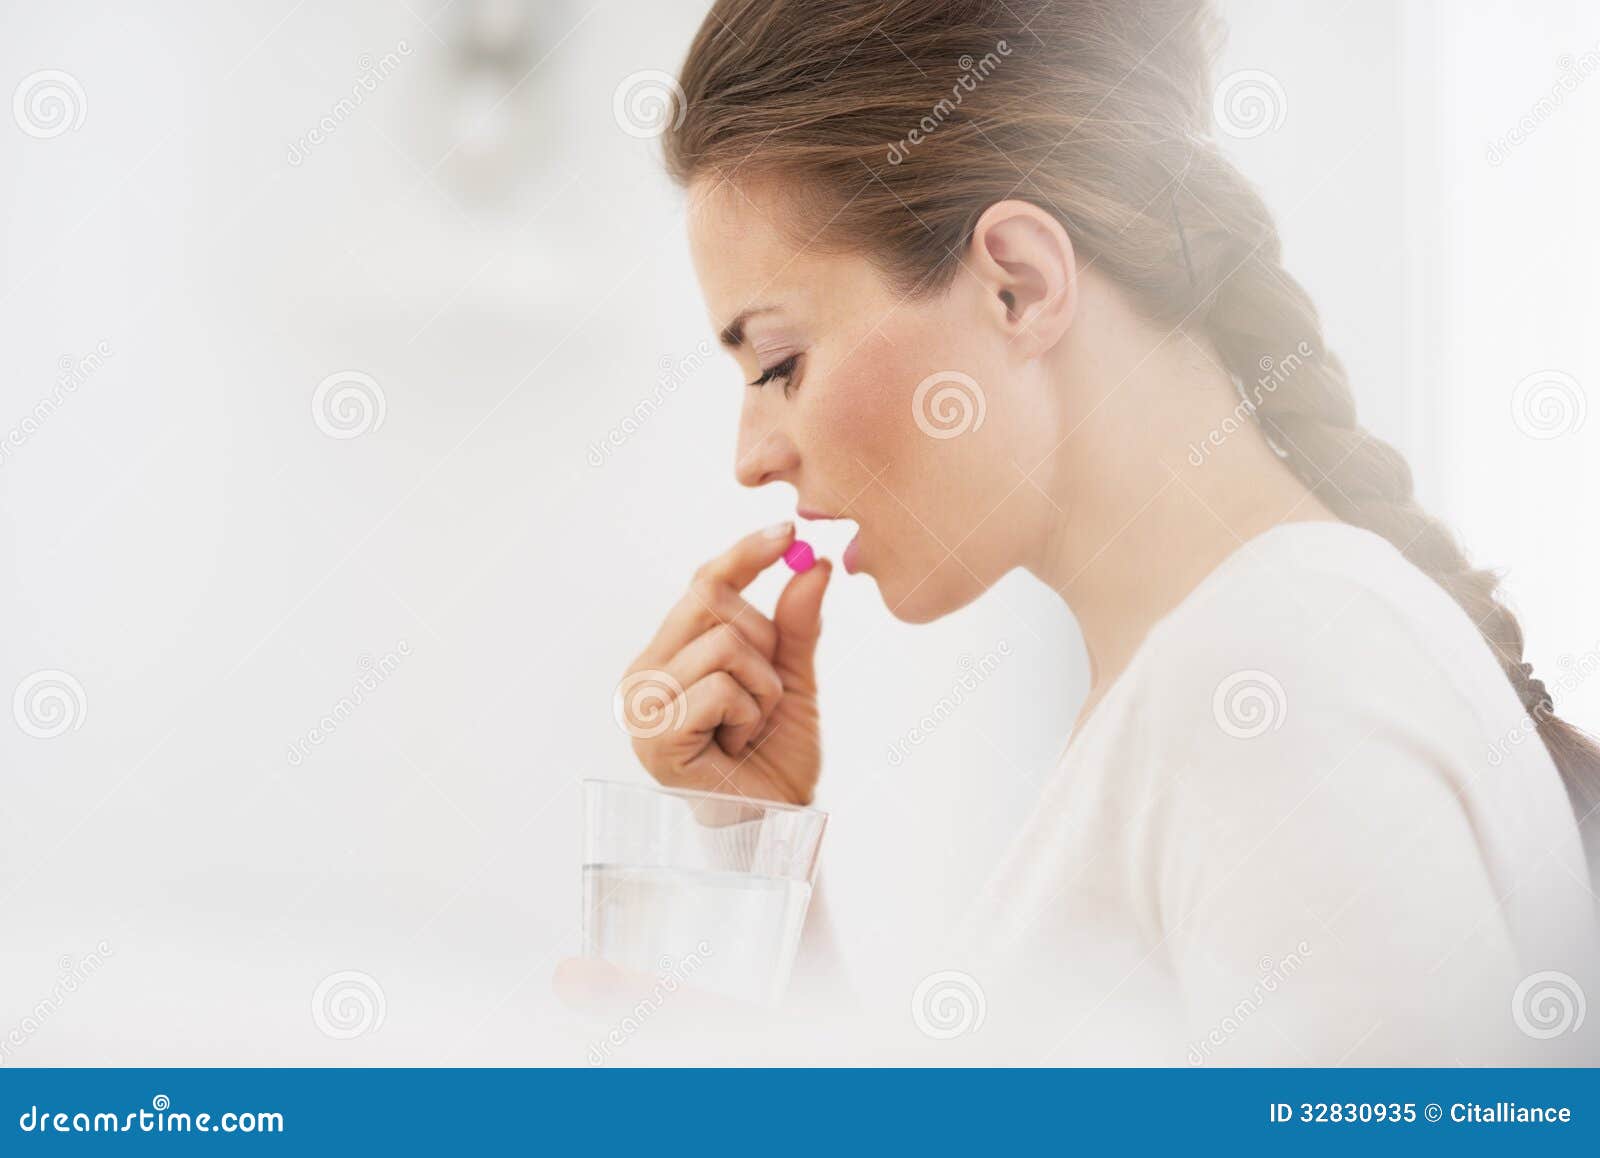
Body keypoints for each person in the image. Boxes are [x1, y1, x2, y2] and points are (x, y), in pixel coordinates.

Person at [614, 0, 1599, 1063]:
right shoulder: (1230, 677)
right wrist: (760, 877)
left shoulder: (1269, 690)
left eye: (778, 365)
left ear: (1018, 285)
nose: (751, 456)